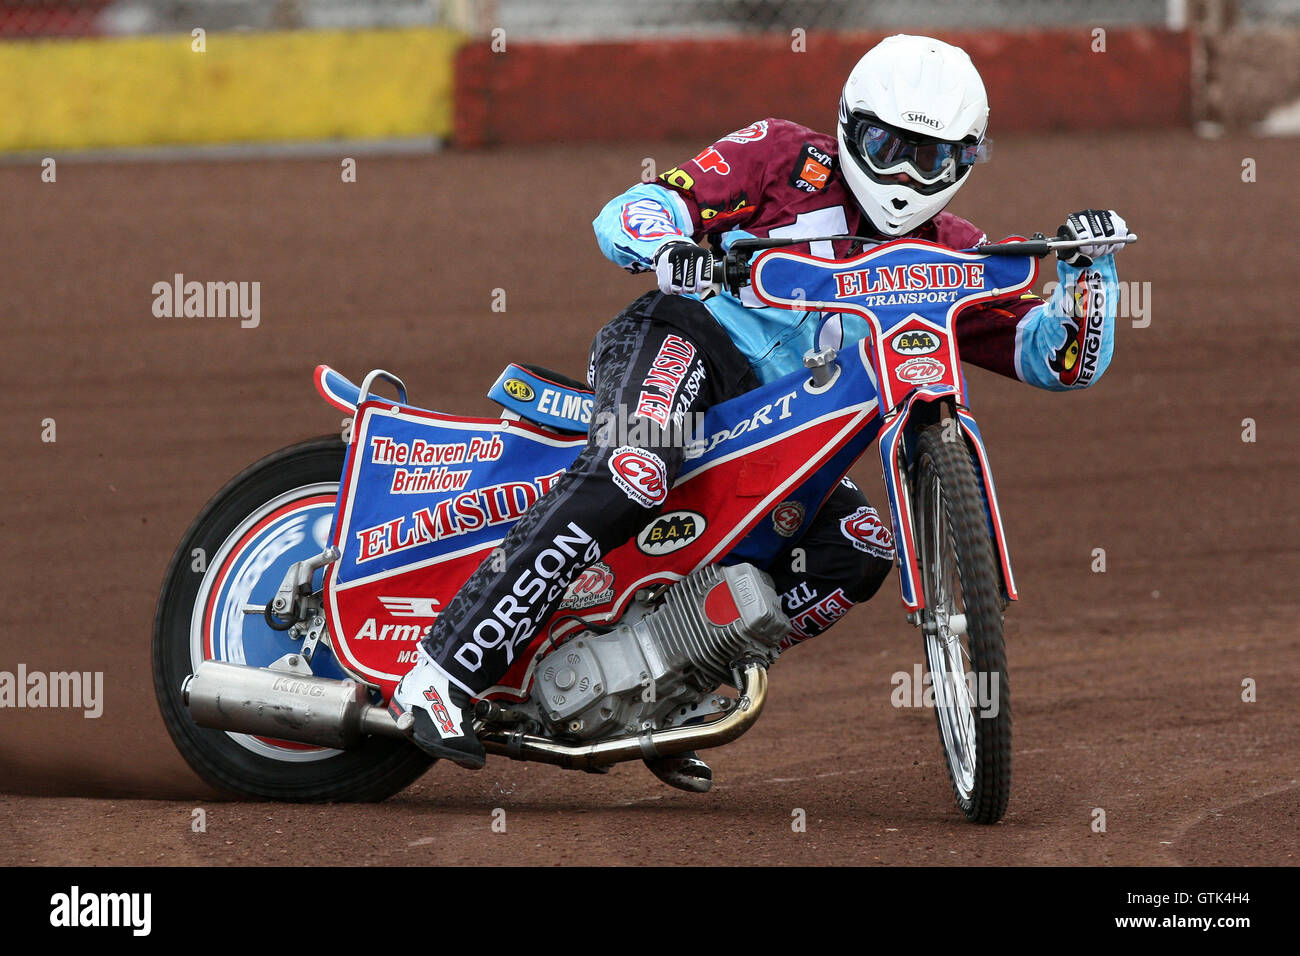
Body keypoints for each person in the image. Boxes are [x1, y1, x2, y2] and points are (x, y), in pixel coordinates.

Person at [389, 34, 1129, 791]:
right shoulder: (781, 156)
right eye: (885, 145)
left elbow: (1054, 359)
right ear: (848, 126)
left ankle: (669, 687)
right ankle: (442, 672)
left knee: (860, 549)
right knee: (635, 466)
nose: (904, 177)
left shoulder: (948, 255)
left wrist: (1086, 278)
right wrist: (672, 241)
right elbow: (639, 205)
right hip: (688, 342)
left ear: (965, 164)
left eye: (931, 159)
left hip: (789, 442)